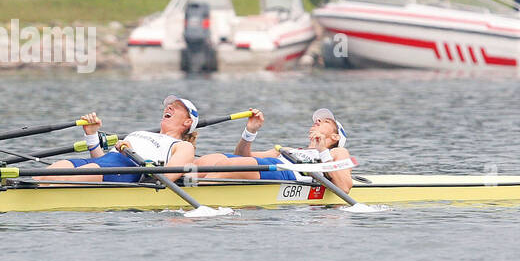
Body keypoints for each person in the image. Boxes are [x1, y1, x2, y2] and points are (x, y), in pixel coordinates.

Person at [44, 96, 198, 183]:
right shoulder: (141, 132)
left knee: (66, 178)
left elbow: (166, 177)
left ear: (187, 122)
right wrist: (91, 135)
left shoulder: (183, 146)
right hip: (107, 164)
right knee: (49, 172)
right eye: (168, 105)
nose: (168, 107)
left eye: (176, 107)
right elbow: (103, 160)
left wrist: (131, 152)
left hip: (128, 171)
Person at [195, 107, 353, 192]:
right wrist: (250, 132)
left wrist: (322, 150)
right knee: (207, 160)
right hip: (273, 164)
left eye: (326, 121)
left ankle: (191, 192)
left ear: (335, 137)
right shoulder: (289, 150)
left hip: (287, 174)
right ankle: (182, 182)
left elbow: (345, 187)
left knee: (226, 165)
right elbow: (241, 156)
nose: (317, 120)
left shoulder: (337, 152)